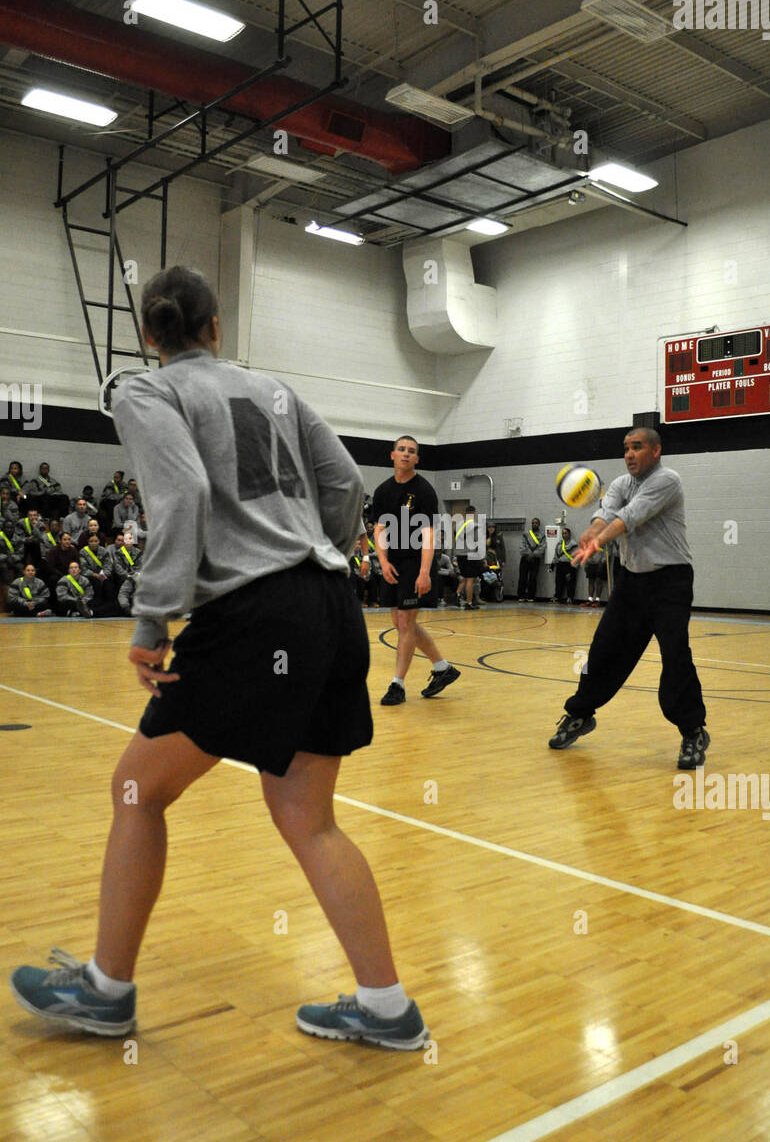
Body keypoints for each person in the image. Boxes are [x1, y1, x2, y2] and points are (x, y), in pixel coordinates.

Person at [11, 265, 429, 1051]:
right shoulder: (273, 389)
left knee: (135, 789)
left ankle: (106, 991)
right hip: (332, 606)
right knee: (308, 817)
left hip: (256, 615)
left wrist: (151, 619)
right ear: (214, 329)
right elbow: (344, 482)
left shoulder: (144, 390)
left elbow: (183, 495)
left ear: (150, 336)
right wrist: (313, 556)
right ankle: (386, 1008)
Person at [548, 427, 709, 770]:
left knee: (675, 655)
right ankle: (579, 714)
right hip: (632, 581)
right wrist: (591, 533)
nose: (629, 454)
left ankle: (693, 731)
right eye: (626, 449)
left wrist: (601, 539)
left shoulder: (668, 480)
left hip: (671, 581)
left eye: (637, 447)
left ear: (656, 451)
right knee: (603, 650)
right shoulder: (621, 483)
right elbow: (605, 514)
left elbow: (629, 517)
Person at [372, 435, 460, 705]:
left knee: (407, 623)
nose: (406, 454)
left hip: (415, 562)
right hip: (393, 562)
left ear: (417, 459)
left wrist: (424, 572)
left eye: (411, 451)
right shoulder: (382, 491)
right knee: (398, 622)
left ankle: (397, 685)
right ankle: (442, 668)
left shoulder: (424, 491)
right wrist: (383, 562)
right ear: (392, 455)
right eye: (401, 449)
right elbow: (380, 529)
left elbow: (428, 534)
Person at [454, 505, 485, 610]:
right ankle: (469, 602)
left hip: (459, 555)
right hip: (469, 555)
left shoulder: (458, 525)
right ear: (474, 513)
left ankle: (457, 594)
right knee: (470, 580)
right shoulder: (475, 526)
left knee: (465, 577)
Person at [518, 518, 544, 601]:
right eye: (533, 523)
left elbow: (542, 547)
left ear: (539, 524)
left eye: (536, 523)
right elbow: (522, 545)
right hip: (525, 558)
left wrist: (533, 554)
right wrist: (527, 554)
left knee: (533, 578)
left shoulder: (542, 535)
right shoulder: (526, 534)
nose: (534, 524)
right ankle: (521, 595)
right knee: (522, 577)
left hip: (535, 559)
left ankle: (530, 596)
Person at [552, 526, 578, 604]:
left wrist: (574, 566)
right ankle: (557, 597)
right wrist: (553, 564)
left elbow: (577, 555)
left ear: (569, 534)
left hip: (569, 565)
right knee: (559, 581)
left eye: (565, 533)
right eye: (563, 533)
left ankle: (570, 597)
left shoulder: (573, 544)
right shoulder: (559, 543)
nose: (564, 535)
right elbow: (556, 554)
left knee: (570, 582)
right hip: (560, 564)